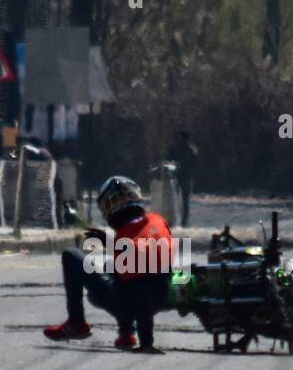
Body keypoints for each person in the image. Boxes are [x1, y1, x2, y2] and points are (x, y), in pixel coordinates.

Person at [43, 176, 174, 354]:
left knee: (70, 255)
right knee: (111, 266)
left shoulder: (125, 237)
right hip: (159, 295)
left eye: (117, 200)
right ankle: (126, 333)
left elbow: (140, 283)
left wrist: (146, 342)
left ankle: (76, 323)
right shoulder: (157, 221)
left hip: (130, 301)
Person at [168, 130, 199, 227]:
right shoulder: (192, 150)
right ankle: (184, 221)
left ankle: (172, 220)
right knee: (185, 201)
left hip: (176, 176)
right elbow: (195, 164)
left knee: (173, 199)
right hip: (187, 176)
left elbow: (169, 161)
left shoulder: (175, 149)